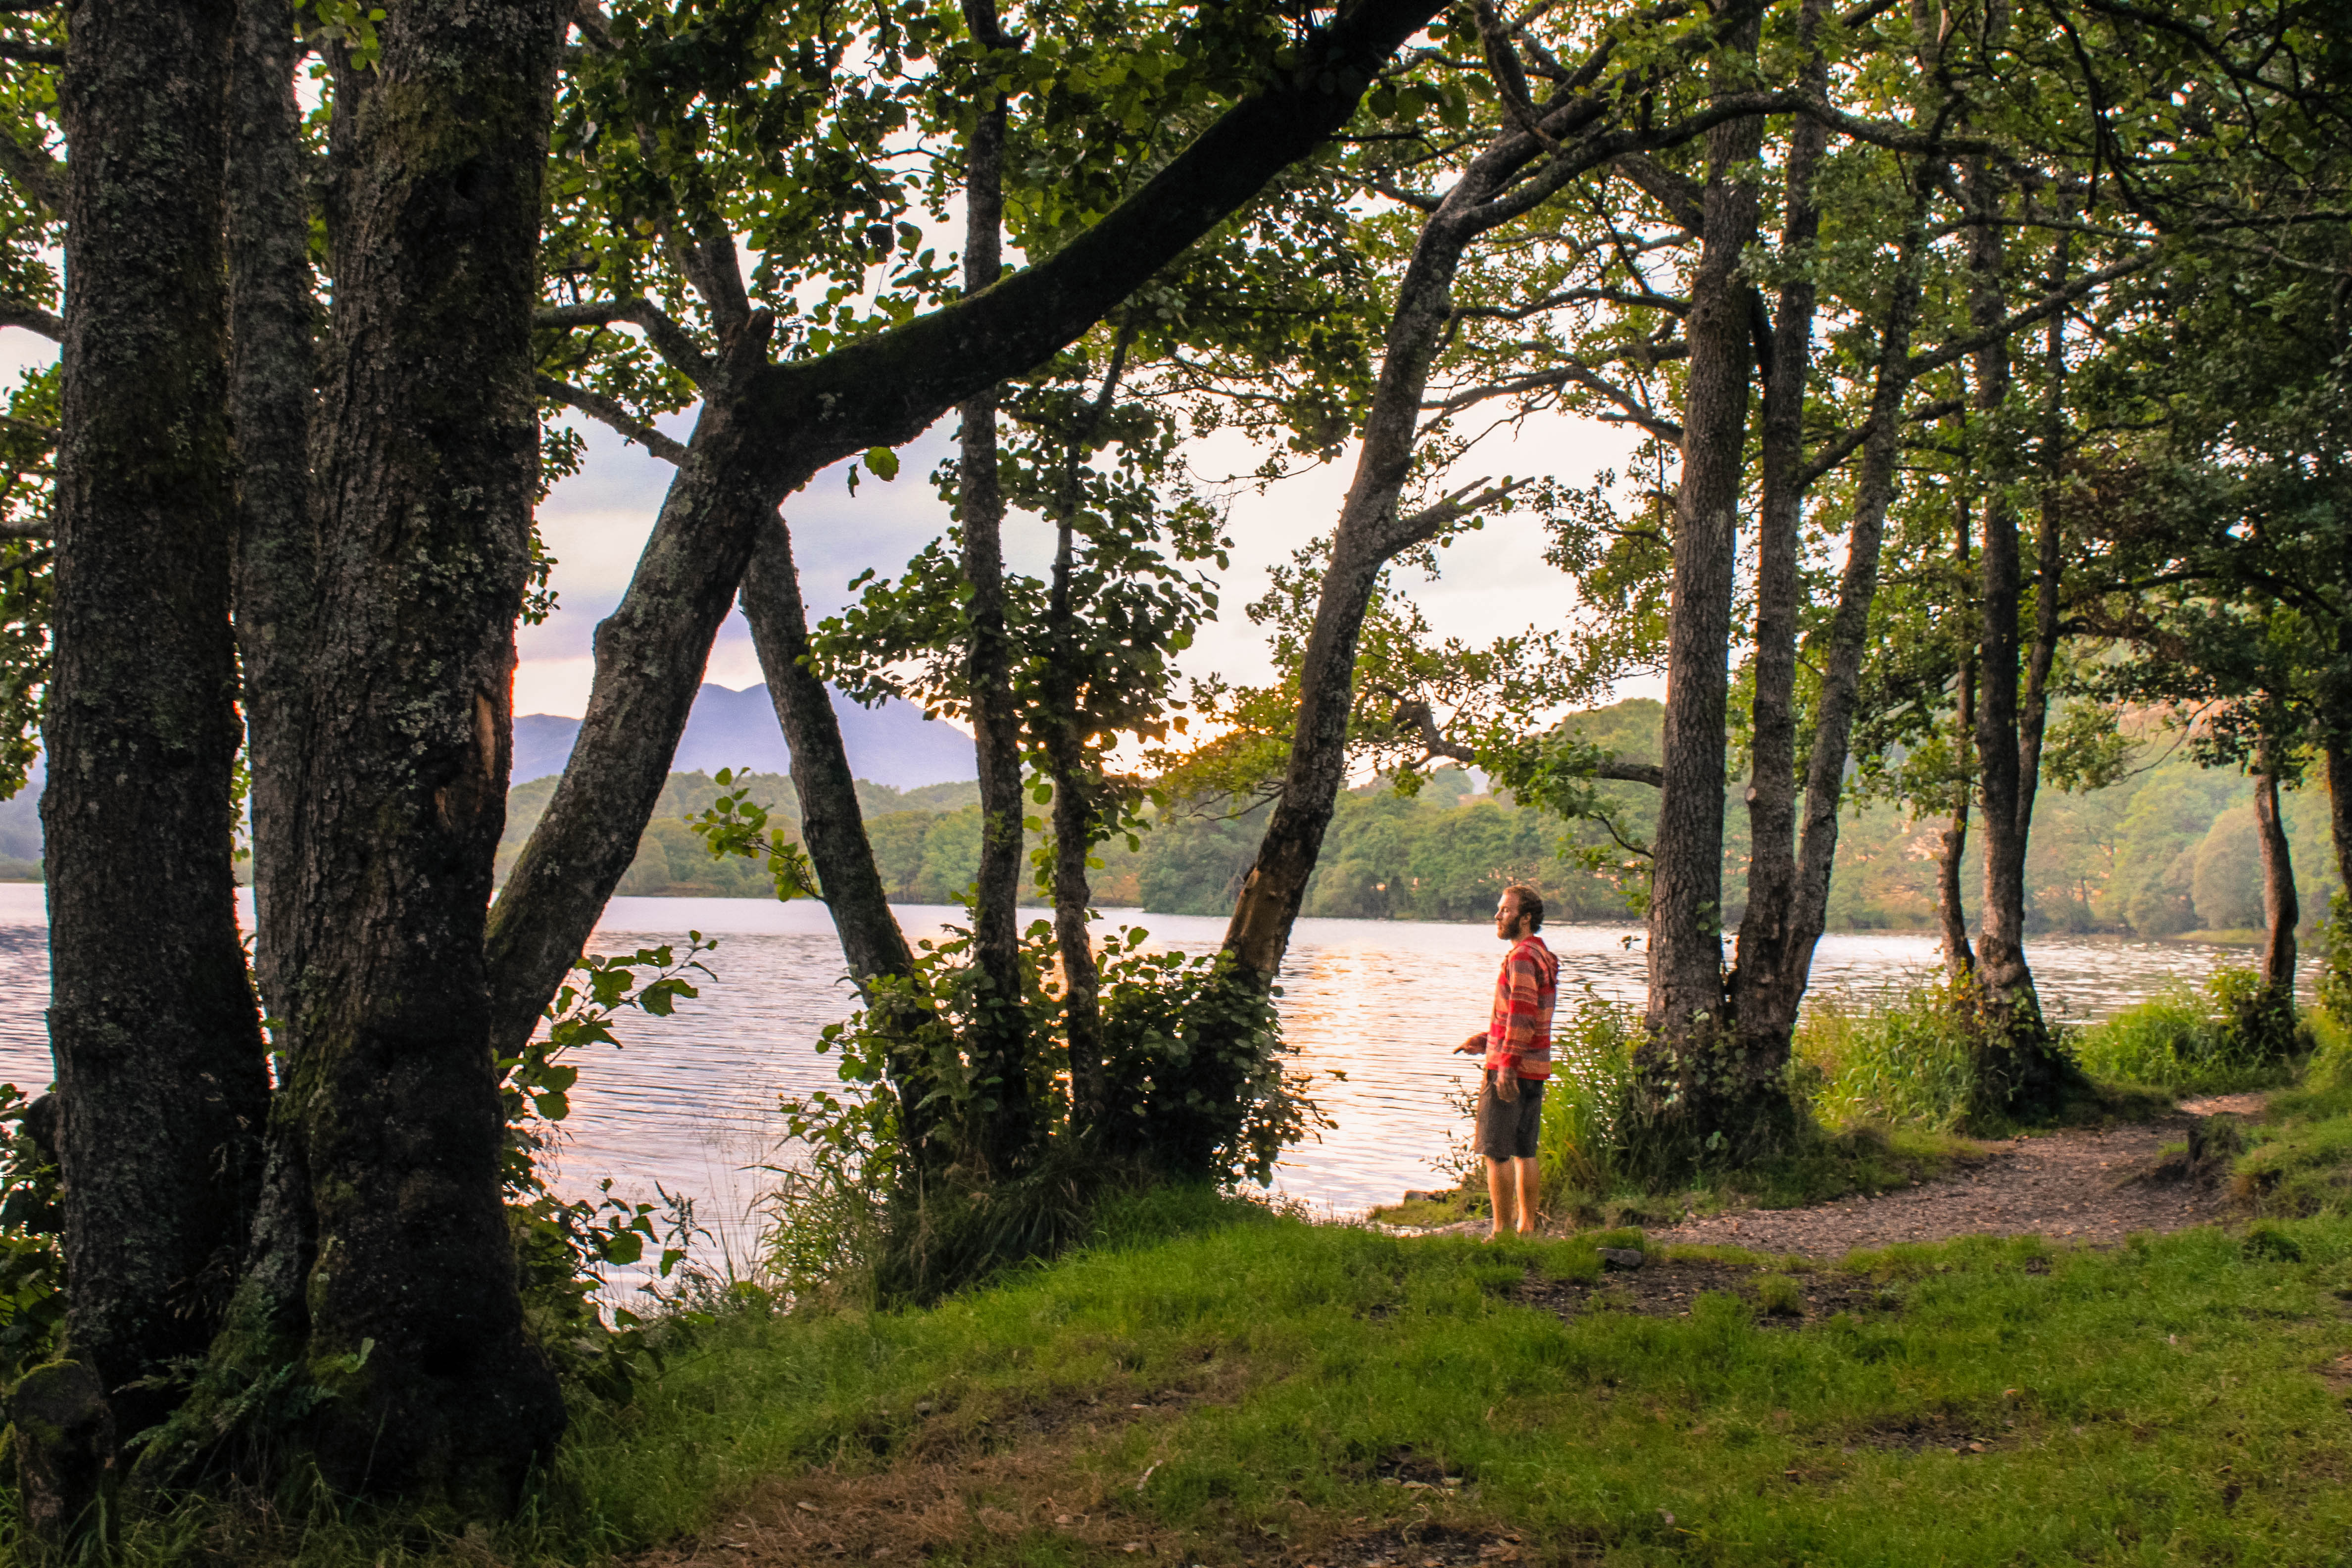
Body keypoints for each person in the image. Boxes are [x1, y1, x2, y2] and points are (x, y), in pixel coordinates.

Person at [1454, 884, 1559, 1239]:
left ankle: (1501, 1233)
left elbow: (1524, 1016)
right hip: (1534, 1067)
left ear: (1525, 918)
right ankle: (1526, 1230)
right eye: (1500, 910)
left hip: (1513, 1069)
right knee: (1525, 1151)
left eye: (1506, 910)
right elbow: (1528, 1014)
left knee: (1497, 1152)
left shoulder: (1522, 957)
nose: (1498, 916)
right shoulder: (1542, 955)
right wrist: (1487, 1041)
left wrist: (1506, 1067)